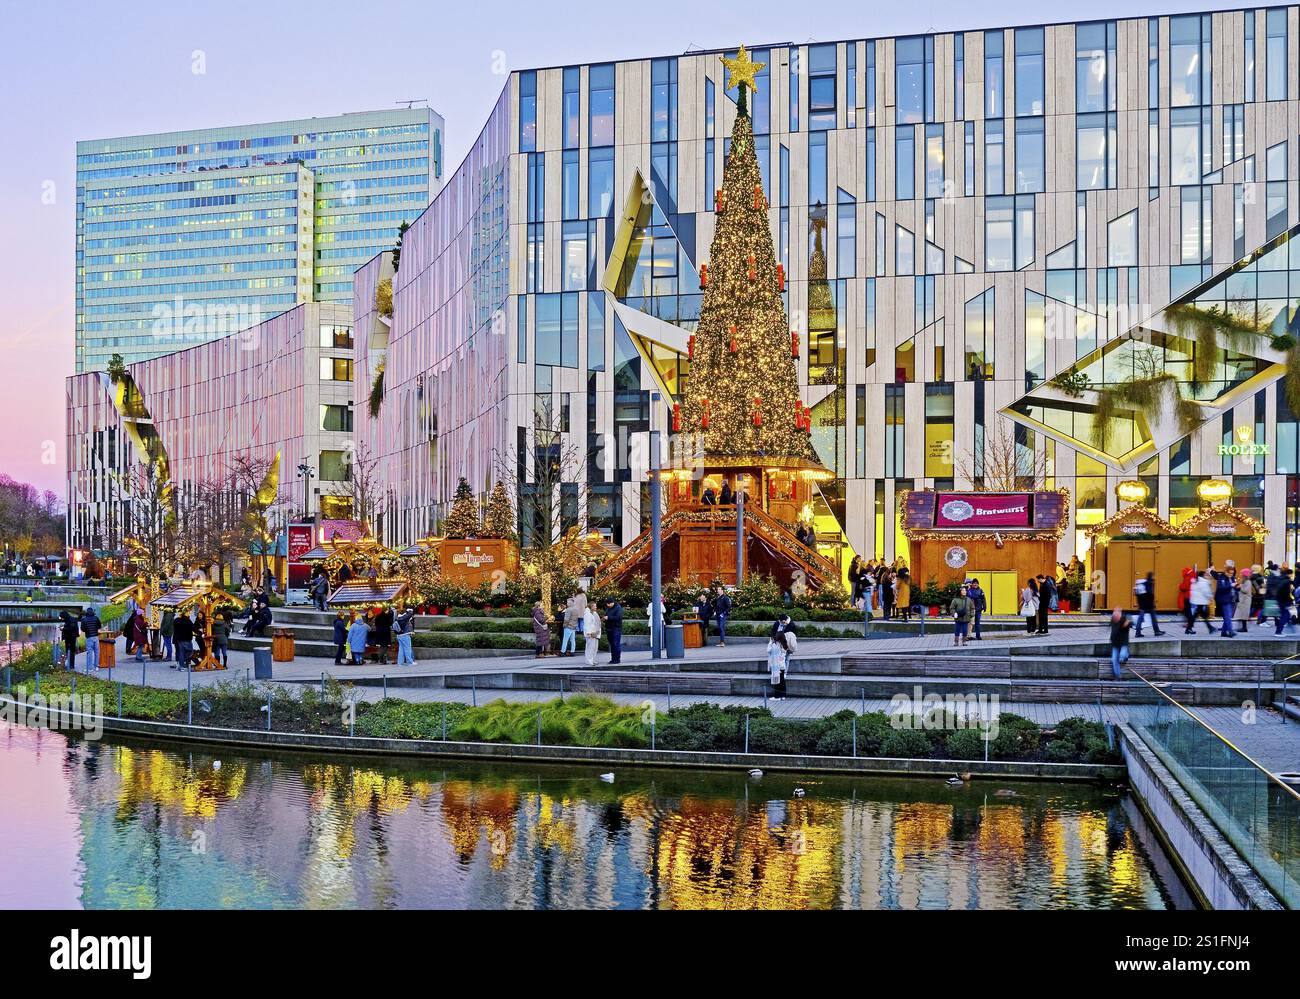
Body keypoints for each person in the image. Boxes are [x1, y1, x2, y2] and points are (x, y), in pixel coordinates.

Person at [767, 614, 797, 700]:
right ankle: (783, 696)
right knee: (782, 680)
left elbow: (768, 650)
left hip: (777, 664)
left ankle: (777, 696)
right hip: (782, 664)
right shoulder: (784, 647)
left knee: (777, 681)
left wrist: (772, 642)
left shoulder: (776, 646)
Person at [1133, 572, 1165, 637]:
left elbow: (1136, 594)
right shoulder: (1149, 583)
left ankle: (1137, 632)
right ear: (1151, 576)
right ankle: (1156, 631)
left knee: (1140, 618)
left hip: (1142, 603)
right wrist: (1153, 603)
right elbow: (1150, 594)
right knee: (1153, 618)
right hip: (1149, 604)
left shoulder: (1141, 584)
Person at [1211, 565, 1239, 638]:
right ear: (1226, 572)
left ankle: (1223, 632)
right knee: (1227, 616)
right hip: (1224, 599)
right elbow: (1221, 588)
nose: (1231, 575)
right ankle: (1230, 631)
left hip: (1231, 599)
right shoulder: (1221, 577)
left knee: (1228, 616)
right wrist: (1231, 585)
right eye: (1229, 573)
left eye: (1232, 573)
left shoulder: (1232, 578)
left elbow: (1234, 588)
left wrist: (1237, 587)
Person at [1109, 606, 1133, 680]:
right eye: (1114, 612)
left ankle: (1126, 656)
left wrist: (1127, 622)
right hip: (1115, 643)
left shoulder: (1124, 619)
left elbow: (1128, 624)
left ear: (1120, 613)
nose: (1115, 614)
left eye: (1117, 612)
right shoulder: (1113, 620)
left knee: (1122, 657)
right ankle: (1118, 676)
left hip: (1123, 643)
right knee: (1114, 660)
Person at [79, 606, 101, 673]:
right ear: (93, 612)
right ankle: (96, 666)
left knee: (89, 653)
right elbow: (99, 626)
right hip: (96, 637)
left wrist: (87, 630)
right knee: (97, 652)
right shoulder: (96, 618)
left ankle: (90, 668)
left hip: (89, 637)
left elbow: (82, 629)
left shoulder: (84, 619)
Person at [582, 601, 602, 666]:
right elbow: (587, 625)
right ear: (591, 607)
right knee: (590, 648)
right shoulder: (587, 614)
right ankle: (589, 660)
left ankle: (593, 659)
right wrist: (589, 633)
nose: (596, 607)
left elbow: (597, 622)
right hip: (591, 633)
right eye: (594, 606)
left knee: (594, 648)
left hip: (595, 633)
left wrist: (597, 631)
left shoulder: (594, 613)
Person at [605, 597, 624, 664]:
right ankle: (613, 659)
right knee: (612, 645)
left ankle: (617, 659)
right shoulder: (608, 608)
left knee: (616, 644)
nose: (608, 605)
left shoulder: (618, 608)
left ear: (612, 602)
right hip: (609, 628)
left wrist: (608, 618)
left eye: (609, 604)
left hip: (616, 628)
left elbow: (618, 617)